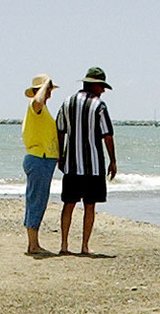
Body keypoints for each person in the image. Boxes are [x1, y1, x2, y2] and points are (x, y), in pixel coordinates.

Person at [56, 67, 117, 256]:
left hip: (72, 164)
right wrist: (113, 161)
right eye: (102, 87)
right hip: (93, 166)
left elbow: (60, 130)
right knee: (89, 205)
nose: (103, 91)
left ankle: (64, 245)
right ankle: (84, 246)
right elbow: (107, 135)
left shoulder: (67, 102)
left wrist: (61, 154)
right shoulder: (99, 106)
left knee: (69, 204)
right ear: (95, 85)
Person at [21, 73, 58, 256]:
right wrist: (45, 85)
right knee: (36, 201)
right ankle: (33, 244)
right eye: (48, 89)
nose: (50, 92)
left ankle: (33, 243)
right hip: (39, 159)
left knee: (37, 201)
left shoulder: (43, 110)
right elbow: (37, 102)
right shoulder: (35, 106)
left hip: (43, 159)